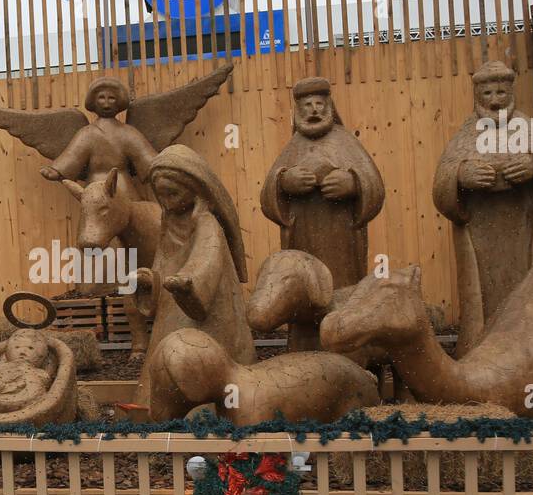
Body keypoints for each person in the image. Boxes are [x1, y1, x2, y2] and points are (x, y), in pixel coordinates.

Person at [433, 61, 533, 353]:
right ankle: (481, 351)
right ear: (477, 96)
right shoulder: (467, 133)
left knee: (527, 295)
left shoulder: (527, 128)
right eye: (487, 93)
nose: (494, 100)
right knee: (483, 302)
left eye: (501, 93)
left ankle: (531, 350)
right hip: (481, 237)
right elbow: (443, 181)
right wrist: (462, 175)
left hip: (523, 231)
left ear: (511, 92)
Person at [134, 145, 253, 405]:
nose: (166, 201)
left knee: (200, 361)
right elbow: (162, 265)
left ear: (195, 189)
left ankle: (205, 405)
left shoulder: (208, 224)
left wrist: (189, 283)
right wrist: (149, 281)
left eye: (172, 193)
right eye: (161, 195)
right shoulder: (168, 224)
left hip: (202, 312)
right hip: (171, 313)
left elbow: (206, 260)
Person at [260, 77, 385, 290]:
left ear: (329, 107)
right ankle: (305, 323)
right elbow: (266, 196)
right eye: (307, 105)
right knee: (305, 290)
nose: (314, 110)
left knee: (343, 291)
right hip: (302, 238)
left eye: (319, 104)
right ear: (298, 110)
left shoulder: (346, 140)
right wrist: (285, 181)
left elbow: (375, 185)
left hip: (341, 237)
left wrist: (353, 183)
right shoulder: (293, 146)